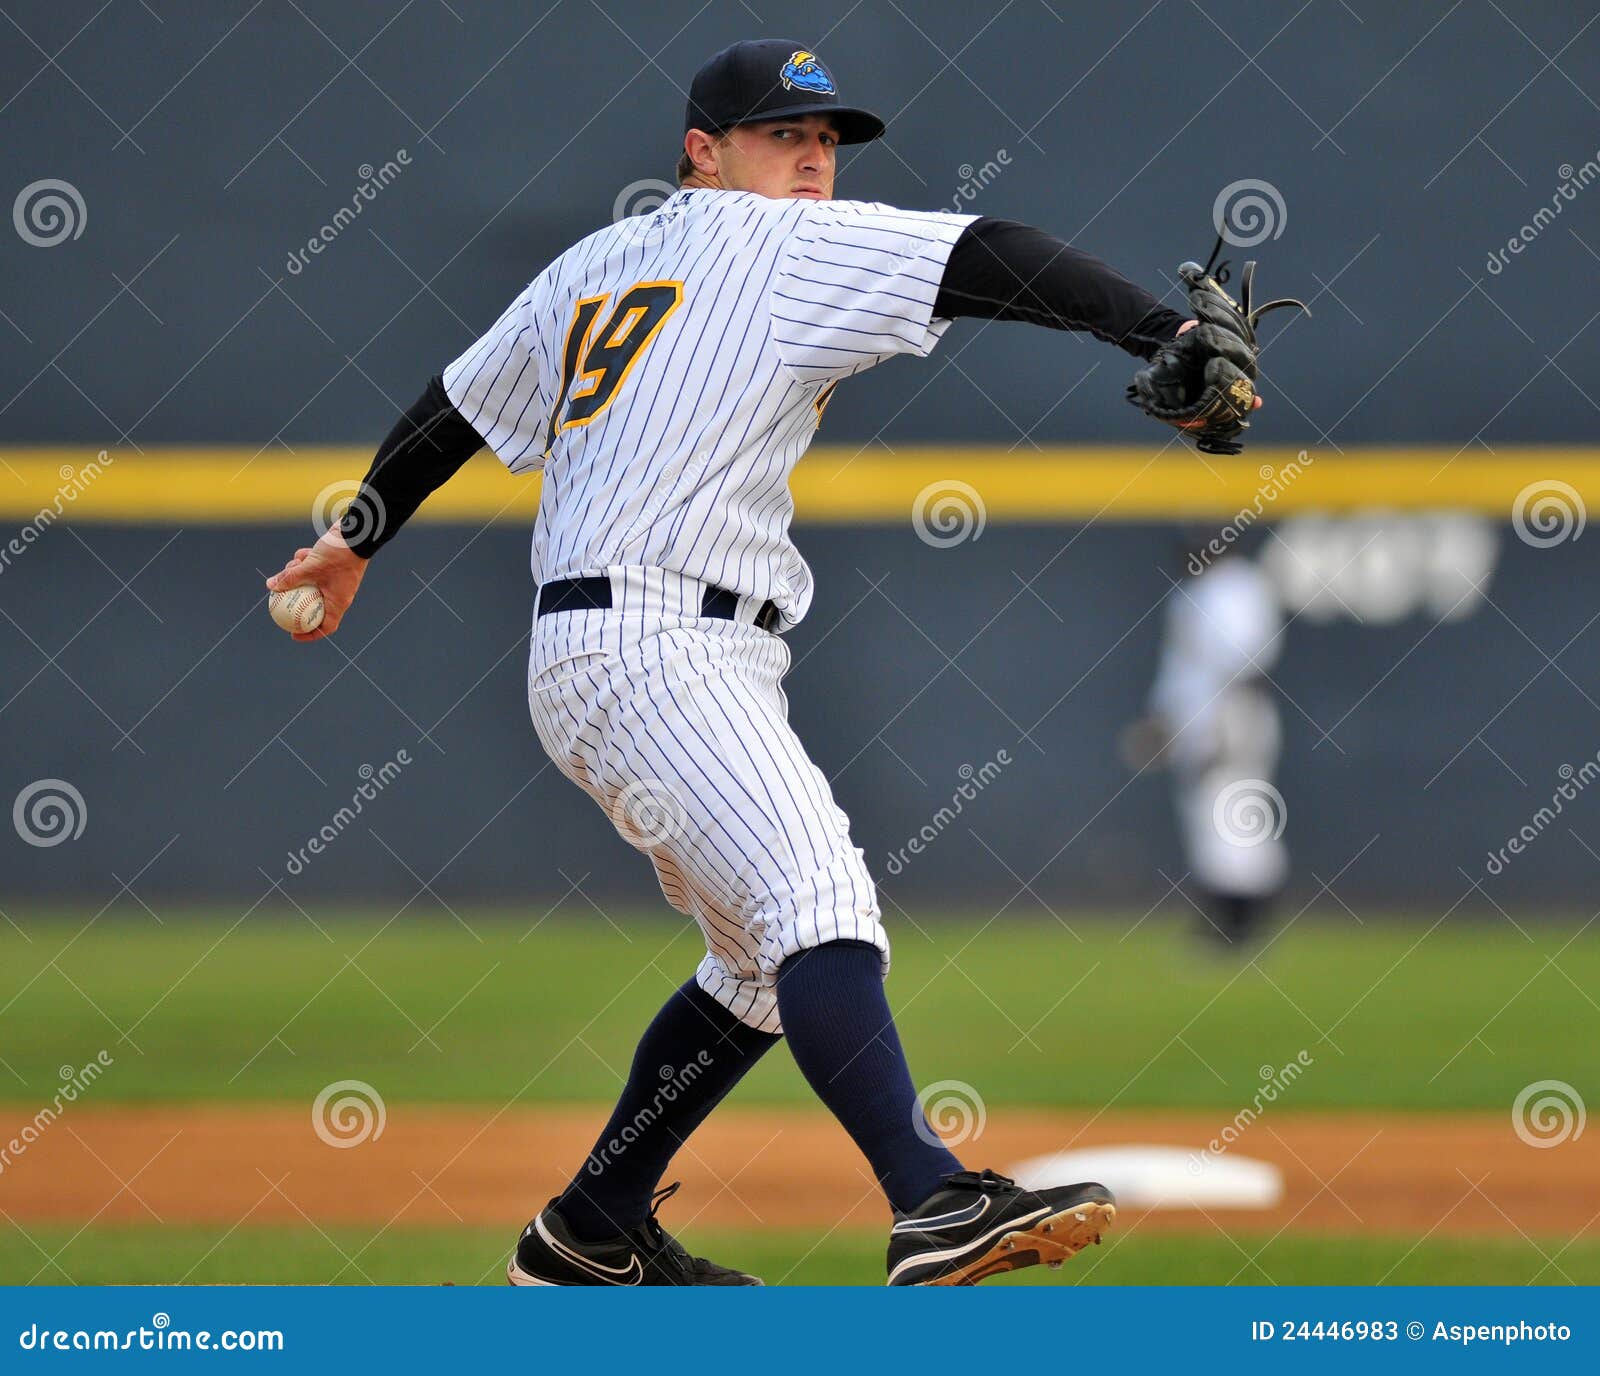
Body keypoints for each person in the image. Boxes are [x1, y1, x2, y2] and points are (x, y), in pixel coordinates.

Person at [266, 38, 1259, 1286]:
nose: (813, 159)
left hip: (622, 651)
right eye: (783, 134)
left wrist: (357, 535)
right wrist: (1163, 327)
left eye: (827, 140)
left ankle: (590, 1228)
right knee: (819, 903)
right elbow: (984, 255)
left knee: (754, 971)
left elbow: (458, 405)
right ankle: (932, 1198)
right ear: (704, 152)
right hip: (656, 643)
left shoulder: (596, 263)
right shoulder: (775, 243)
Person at [1124, 539, 1287, 947]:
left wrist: (1228, 727)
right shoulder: (1189, 593)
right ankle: (1222, 916)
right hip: (1195, 724)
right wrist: (1164, 722)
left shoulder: (1239, 586)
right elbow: (1181, 675)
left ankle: (1245, 920)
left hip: (1234, 715)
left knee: (1237, 814)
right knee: (1205, 820)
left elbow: (1247, 664)